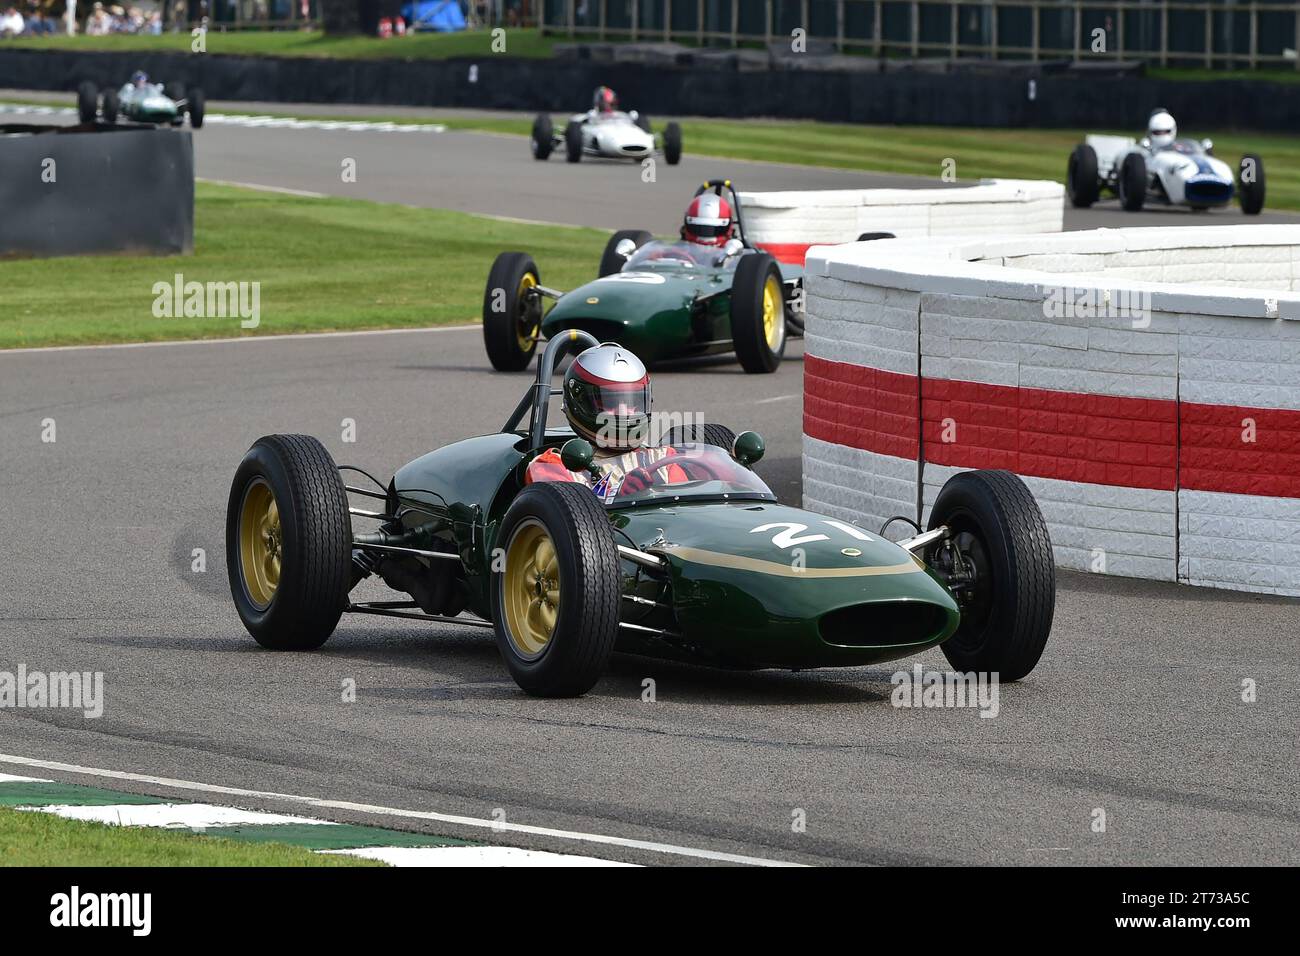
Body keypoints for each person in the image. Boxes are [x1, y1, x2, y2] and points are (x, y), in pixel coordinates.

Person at [525, 344, 686, 503]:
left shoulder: (664, 459)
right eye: (610, 403)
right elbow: (564, 517)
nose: (624, 412)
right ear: (580, 403)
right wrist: (616, 496)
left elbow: (687, 509)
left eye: (632, 402)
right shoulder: (553, 466)